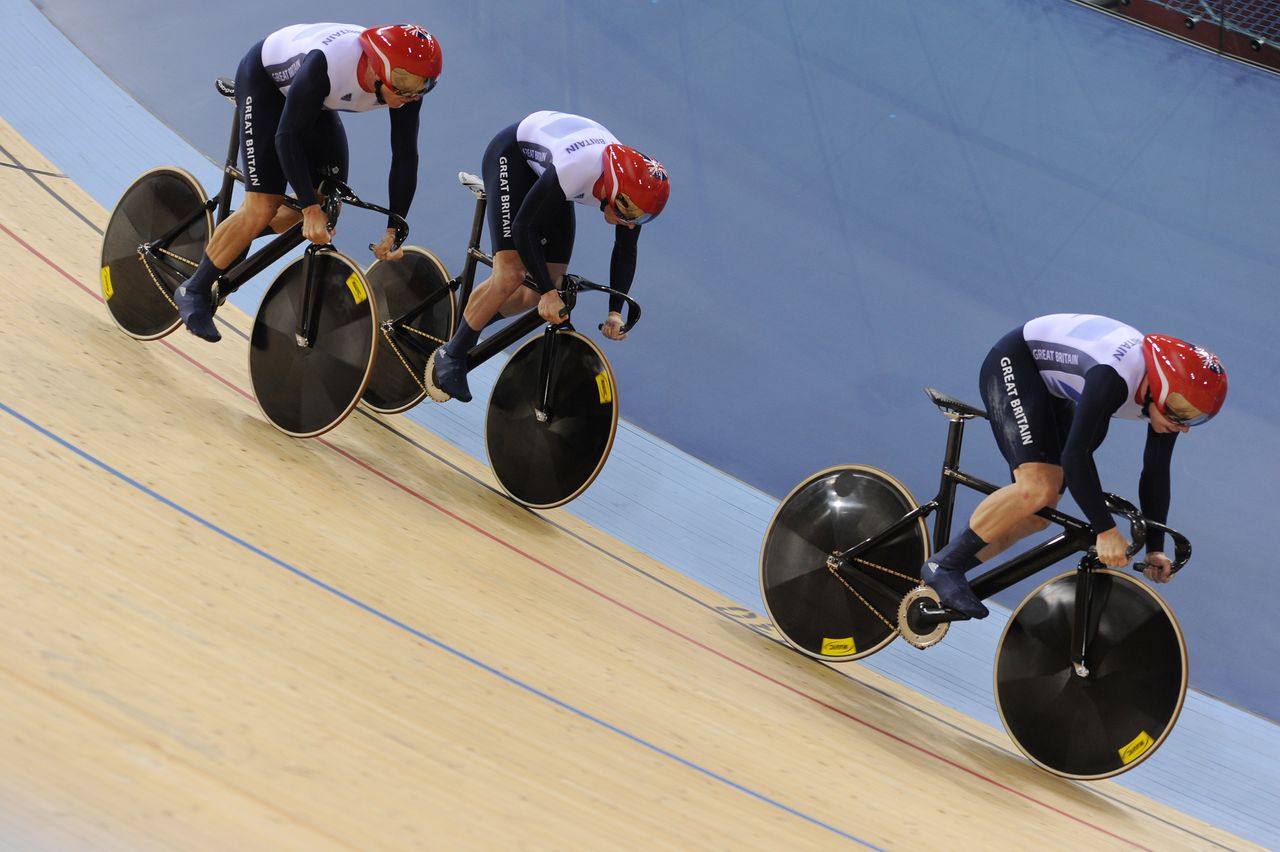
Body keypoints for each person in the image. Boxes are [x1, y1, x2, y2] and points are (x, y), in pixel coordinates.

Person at [924, 313, 1228, 619]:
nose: (1185, 424)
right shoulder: (1113, 377)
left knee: (1038, 516)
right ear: (1161, 385)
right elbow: (1075, 457)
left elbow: (1156, 472)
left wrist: (1155, 548)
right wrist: (1106, 530)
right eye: (1182, 411)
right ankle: (944, 565)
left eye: (1194, 417)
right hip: (1017, 361)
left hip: (1055, 385)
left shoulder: (1165, 405)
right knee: (1036, 490)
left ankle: (954, 569)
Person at [174, 23, 442, 342]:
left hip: (314, 100)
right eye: (405, 82)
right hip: (266, 83)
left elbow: (405, 156)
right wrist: (308, 208)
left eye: (423, 85)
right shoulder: (329, 64)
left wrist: (394, 227)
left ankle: (232, 236)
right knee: (265, 206)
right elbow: (286, 138)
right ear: (379, 65)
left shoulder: (406, 93)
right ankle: (194, 289)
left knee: (329, 209)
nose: (412, 93)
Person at [425, 110, 670, 403]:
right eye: (631, 214)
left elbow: (625, 249)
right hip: (513, 155)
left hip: (549, 172)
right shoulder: (579, 170)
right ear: (613, 188)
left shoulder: (632, 200)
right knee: (512, 273)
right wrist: (549, 293)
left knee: (534, 293)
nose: (632, 223)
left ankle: (455, 327)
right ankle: (452, 353)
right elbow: (522, 227)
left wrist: (614, 311)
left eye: (642, 219)